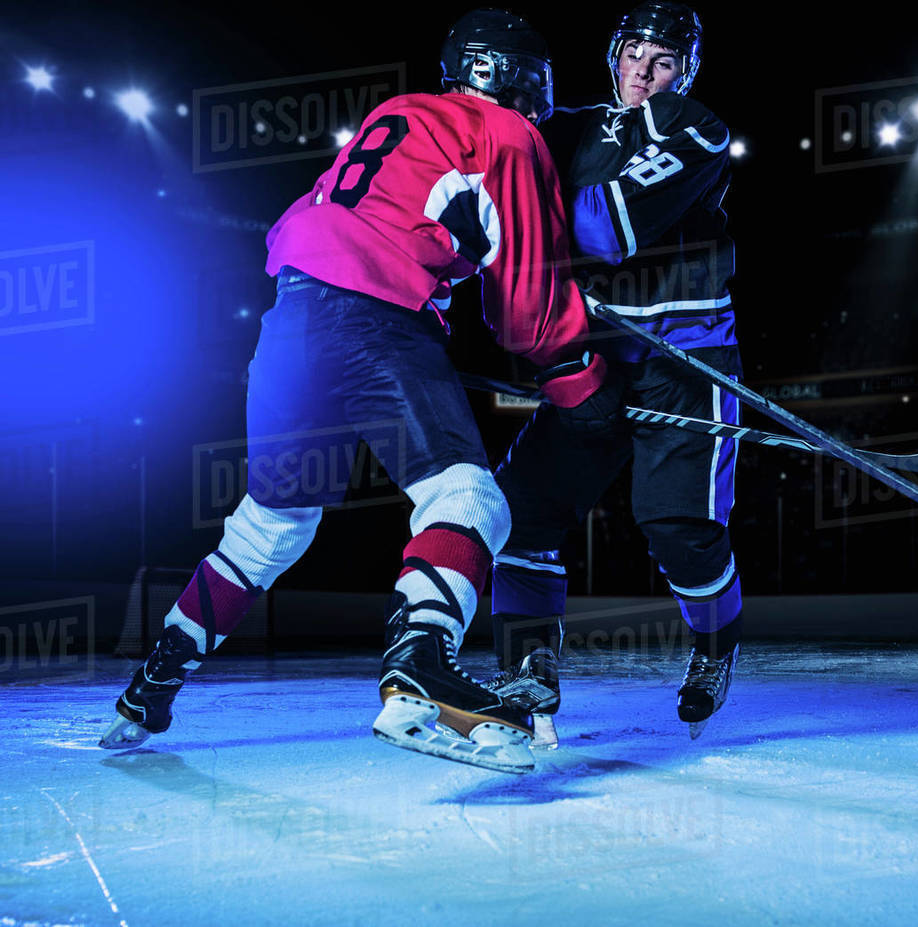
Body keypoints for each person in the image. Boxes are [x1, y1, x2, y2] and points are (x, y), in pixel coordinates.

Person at [99, 9, 621, 775]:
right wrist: (583, 378)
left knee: (271, 525)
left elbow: (349, 220)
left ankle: (151, 686)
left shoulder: (399, 110)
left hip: (292, 316)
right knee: (470, 500)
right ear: (513, 76)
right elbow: (526, 312)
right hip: (374, 313)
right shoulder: (511, 136)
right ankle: (418, 671)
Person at [488, 1, 741, 742]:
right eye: (635, 52)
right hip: (592, 353)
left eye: (663, 60)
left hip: (685, 355)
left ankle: (715, 649)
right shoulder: (568, 125)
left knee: (679, 526)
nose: (644, 70)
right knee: (520, 513)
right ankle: (529, 663)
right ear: (614, 52)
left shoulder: (697, 128)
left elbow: (603, 228)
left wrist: (526, 205)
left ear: (684, 71)